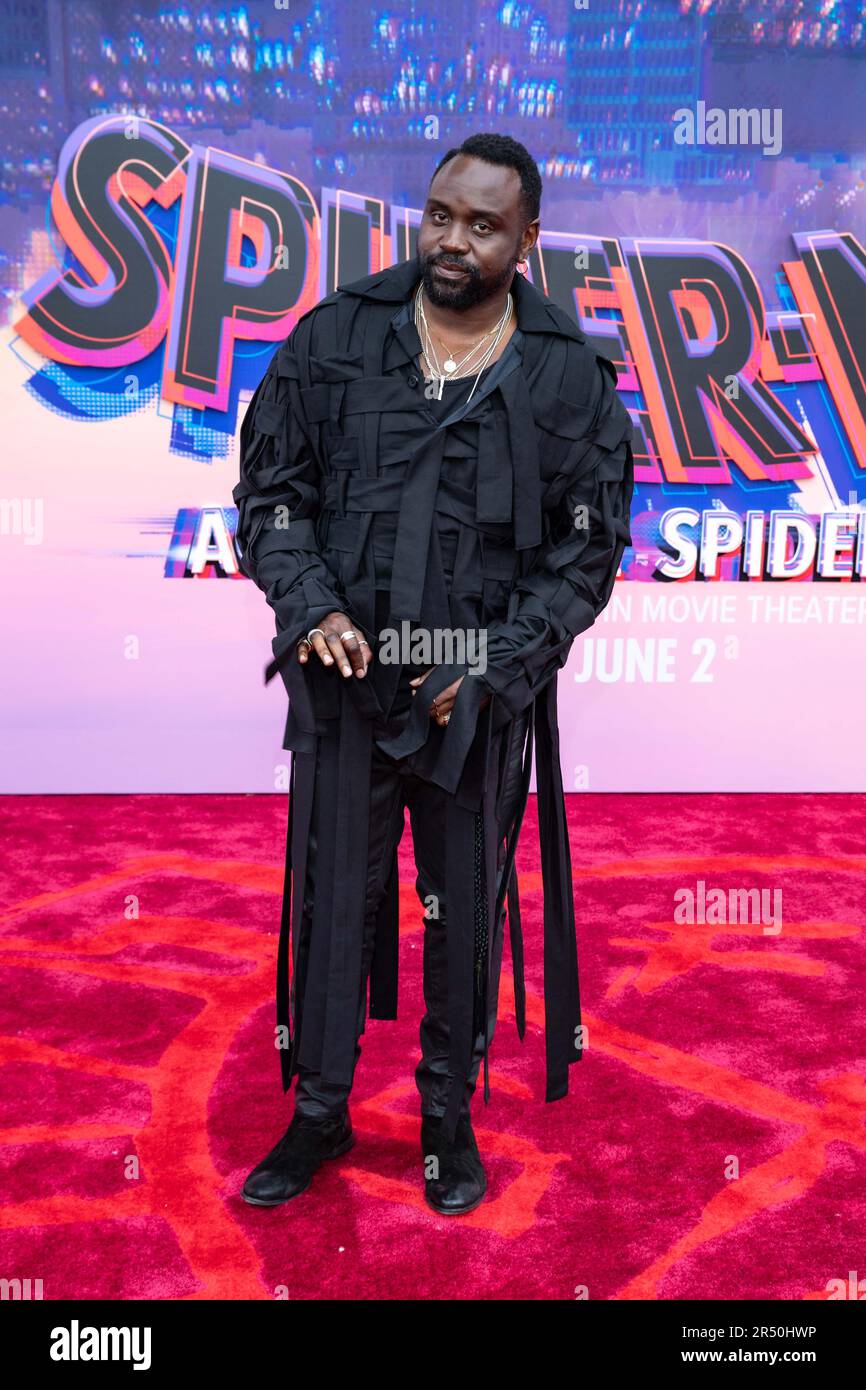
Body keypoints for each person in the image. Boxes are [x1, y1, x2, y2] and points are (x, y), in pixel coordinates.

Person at [232, 132, 634, 1215]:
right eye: (440, 214)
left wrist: (499, 666)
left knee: (460, 912)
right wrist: (309, 603)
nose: (452, 240)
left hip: (474, 697)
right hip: (346, 688)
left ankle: (446, 1119)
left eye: (482, 223)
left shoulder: (564, 372)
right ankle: (319, 1110)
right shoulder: (335, 337)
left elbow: (585, 548)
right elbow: (271, 497)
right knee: (331, 904)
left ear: (527, 239)